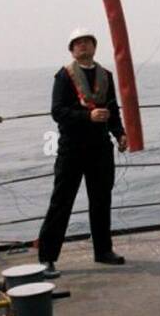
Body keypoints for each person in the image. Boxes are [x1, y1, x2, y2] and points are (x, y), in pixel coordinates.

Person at [36, 28, 129, 271]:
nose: (83, 46)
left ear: (94, 47)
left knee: (101, 200)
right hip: (72, 149)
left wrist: (119, 133)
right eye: (77, 43)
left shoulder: (105, 75)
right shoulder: (64, 77)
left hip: (100, 148)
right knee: (61, 201)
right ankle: (47, 256)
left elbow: (113, 110)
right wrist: (89, 116)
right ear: (72, 50)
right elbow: (58, 111)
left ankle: (103, 250)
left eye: (87, 42)